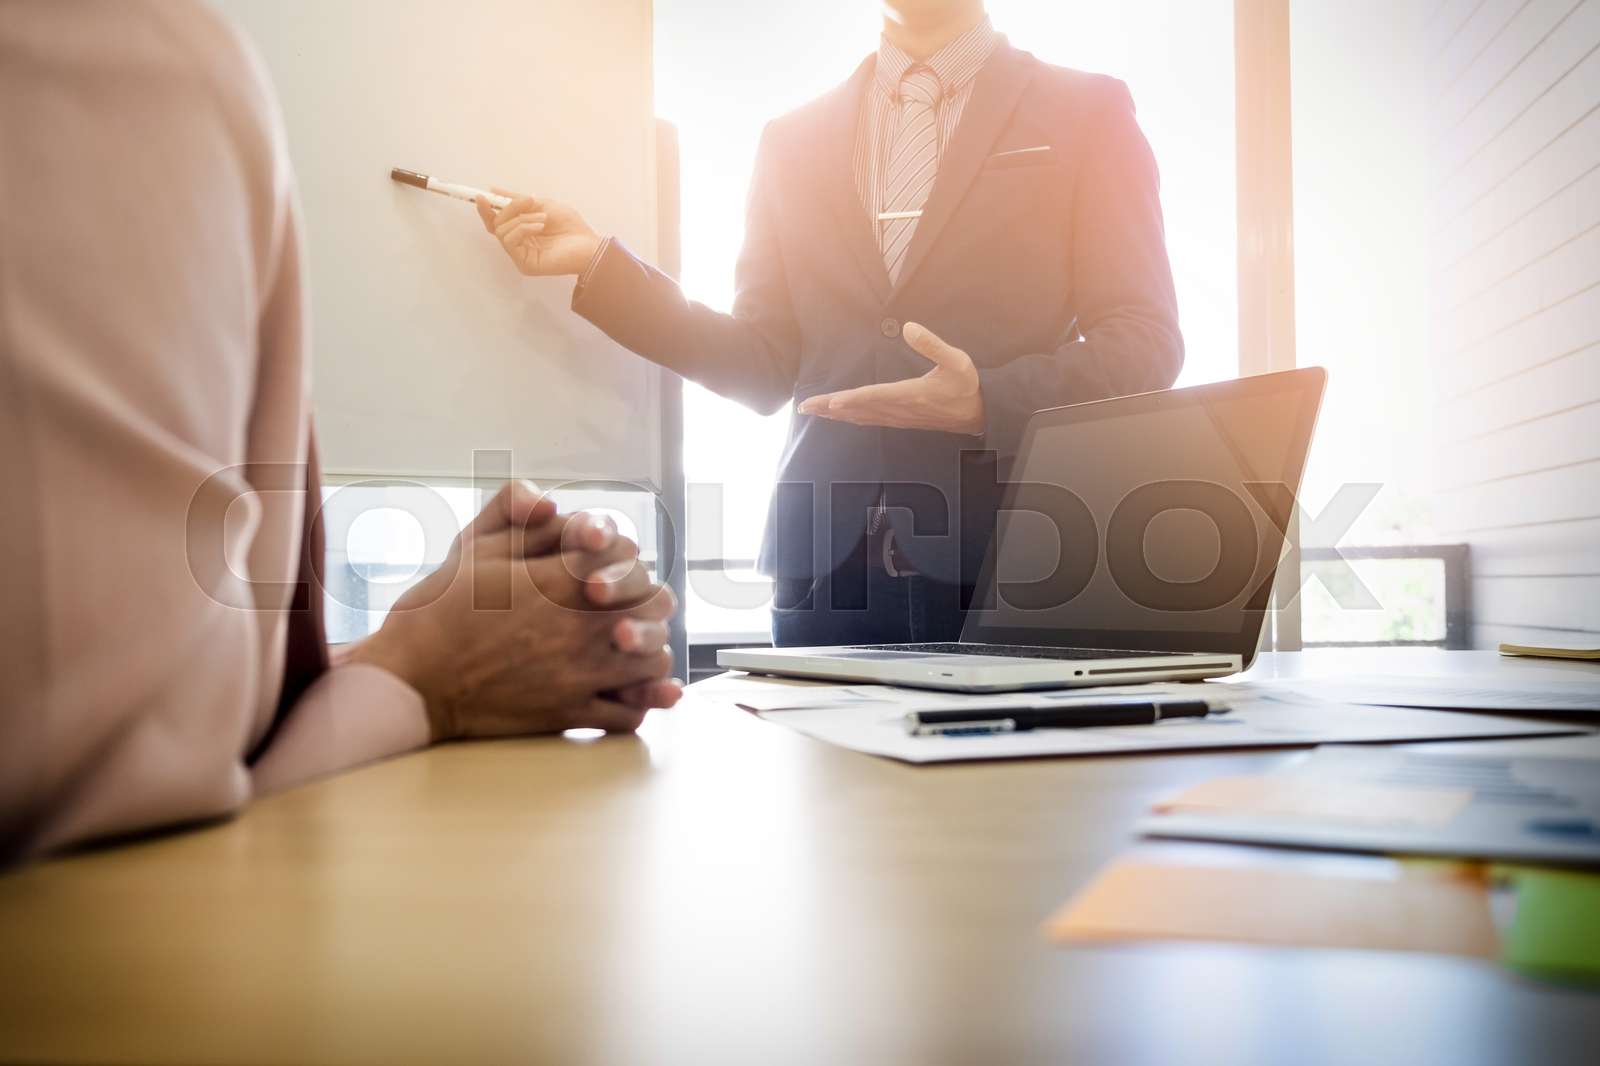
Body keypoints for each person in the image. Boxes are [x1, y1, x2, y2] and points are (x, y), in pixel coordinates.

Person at [0, 0, 680, 863]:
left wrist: (422, 642)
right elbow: (119, 824)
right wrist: (428, 676)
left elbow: (130, 708)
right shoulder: (114, 59)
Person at [477, 0, 1184, 647]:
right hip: (824, 571)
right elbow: (761, 363)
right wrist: (597, 265)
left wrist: (984, 400)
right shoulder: (792, 140)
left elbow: (1144, 339)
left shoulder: (1086, 110)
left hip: (1008, 559)